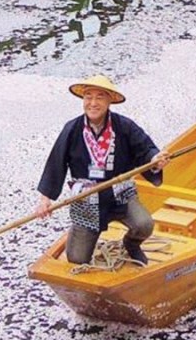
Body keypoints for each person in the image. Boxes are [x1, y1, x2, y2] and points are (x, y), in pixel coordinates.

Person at [35, 74, 169, 266]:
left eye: (100, 97)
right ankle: (79, 232)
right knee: (77, 258)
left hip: (120, 193)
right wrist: (45, 199)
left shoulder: (124, 126)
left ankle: (131, 244)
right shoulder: (72, 129)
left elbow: (146, 149)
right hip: (87, 198)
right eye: (88, 97)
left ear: (109, 101)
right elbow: (56, 162)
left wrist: (155, 159)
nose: (93, 103)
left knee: (144, 225)